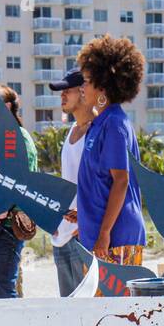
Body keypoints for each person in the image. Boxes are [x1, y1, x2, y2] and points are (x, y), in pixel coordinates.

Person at [76, 35, 147, 269]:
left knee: (119, 306)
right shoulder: (99, 123)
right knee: (98, 306)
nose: (82, 87)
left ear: (103, 88)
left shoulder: (115, 123)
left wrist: (104, 233)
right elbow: (99, 183)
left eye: (87, 81)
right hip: (97, 235)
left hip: (116, 237)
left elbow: (121, 181)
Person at [0, 86, 39, 299]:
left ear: (7, 107)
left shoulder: (15, 137)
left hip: (5, 229)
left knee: (3, 294)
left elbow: (13, 186)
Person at [49, 69, 97, 296]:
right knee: (68, 315)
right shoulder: (70, 132)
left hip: (85, 234)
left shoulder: (98, 129)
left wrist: (88, 221)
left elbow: (110, 183)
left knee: (90, 312)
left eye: (66, 91)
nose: (62, 96)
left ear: (83, 91)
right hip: (61, 234)